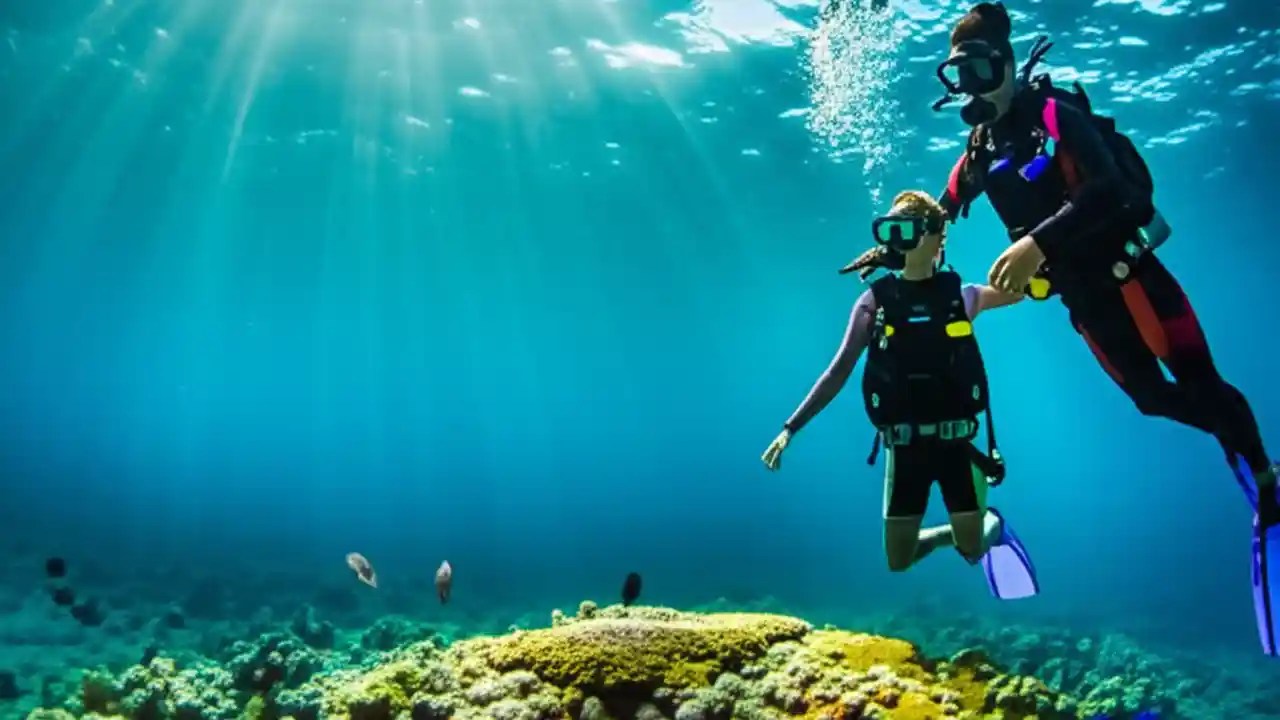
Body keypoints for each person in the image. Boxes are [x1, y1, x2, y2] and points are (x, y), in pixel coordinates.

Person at [845, 1, 1278, 652]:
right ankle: (1240, 446)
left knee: (1199, 380)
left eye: (985, 69)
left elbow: (1112, 191)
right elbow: (937, 213)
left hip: (1134, 278)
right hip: (1086, 303)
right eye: (960, 76)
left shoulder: (1057, 118)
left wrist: (1035, 246)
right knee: (1152, 400)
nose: (974, 87)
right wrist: (893, 247)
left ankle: (1266, 480)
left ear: (1010, 64)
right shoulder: (976, 153)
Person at [762, 190, 1038, 599]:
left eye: (908, 227)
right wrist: (790, 429)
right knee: (899, 559)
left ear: (935, 237)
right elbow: (837, 371)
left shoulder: (961, 296)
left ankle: (990, 526)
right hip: (904, 448)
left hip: (955, 444)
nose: (898, 237)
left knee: (972, 547)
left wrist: (1041, 247)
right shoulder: (874, 302)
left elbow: (1022, 290)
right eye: (892, 228)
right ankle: (979, 525)